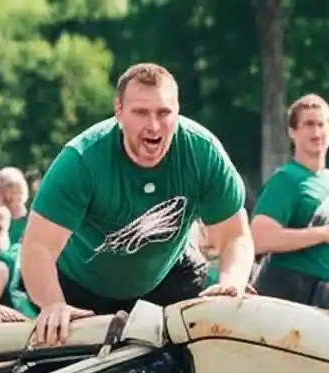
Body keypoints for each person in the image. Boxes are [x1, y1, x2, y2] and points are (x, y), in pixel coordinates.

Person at [20, 62, 255, 347]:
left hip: (165, 278)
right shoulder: (82, 159)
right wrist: (52, 304)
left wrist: (231, 283)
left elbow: (235, 236)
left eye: (164, 113)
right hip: (79, 288)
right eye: (141, 112)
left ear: (177, 111)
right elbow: (37, 247)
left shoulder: (202, 152)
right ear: (119, 111)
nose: (153, 126)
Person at [250, 94, 329, 307]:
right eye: (308, 124)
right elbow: (260, 238)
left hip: (328, 289)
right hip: (290, 289)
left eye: (321, 124)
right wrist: (323, 233)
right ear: (292, 132)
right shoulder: (286, 179)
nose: (316, 132)